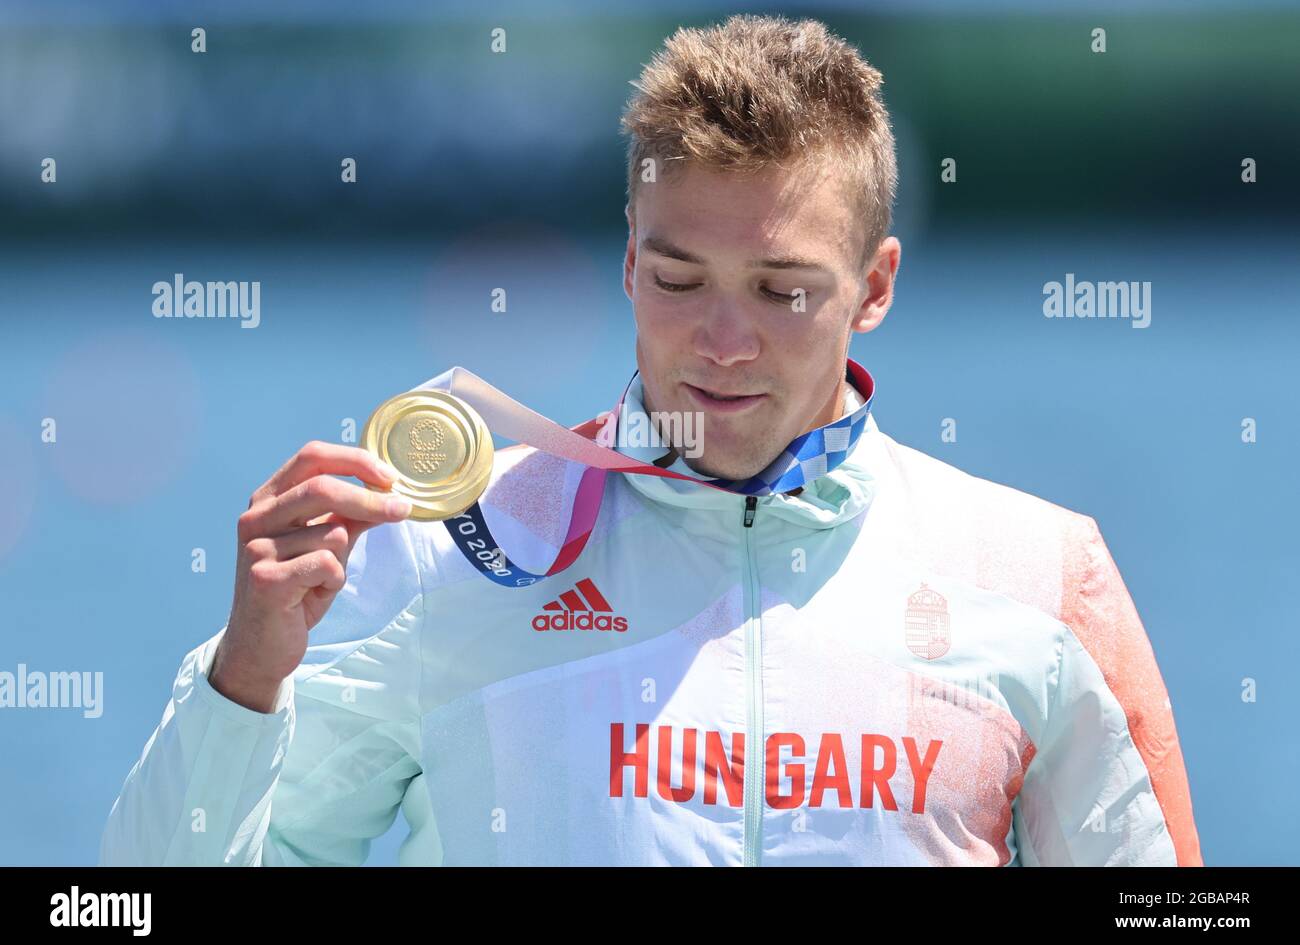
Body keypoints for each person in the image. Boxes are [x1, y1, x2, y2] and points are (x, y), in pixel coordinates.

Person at [100, 14, 1202, 866]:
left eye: (782, 291)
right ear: (629, 260)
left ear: (873, 287)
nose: (723, 341)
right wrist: (243, 681)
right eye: (680, 279)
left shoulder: (1044, 575)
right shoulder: (449, 552)